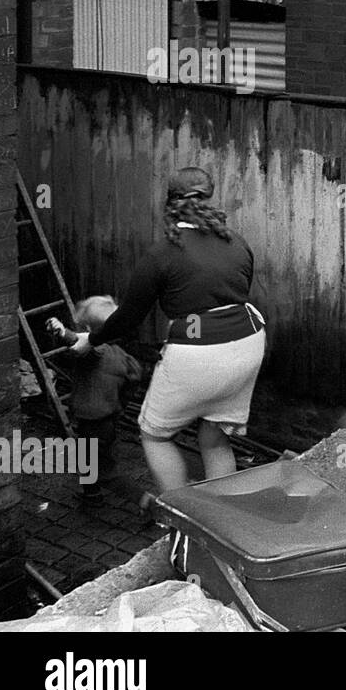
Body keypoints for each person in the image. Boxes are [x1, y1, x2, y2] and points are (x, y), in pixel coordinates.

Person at [69, 167, 266, 500]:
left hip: (199, 350)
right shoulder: (238, 243)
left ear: (169, 206)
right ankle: (222, 519)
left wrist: (92, 339)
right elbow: (235, 295)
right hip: (249, 340)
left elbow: (129, 317)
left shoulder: (161, 254)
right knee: (214, 434)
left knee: (156, 434)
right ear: (208, 199)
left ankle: (182, 516)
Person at [46, 296, 142, 504]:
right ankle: (92, 494)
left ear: (90, 330)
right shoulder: (121, 355)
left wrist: (62, 332)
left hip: (94, 422)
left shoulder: (95, 352)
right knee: (89, 459)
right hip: (107, 418)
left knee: (104, 470)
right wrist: (120, 404)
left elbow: (77, 342)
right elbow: (134, 377)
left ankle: (143, 500)